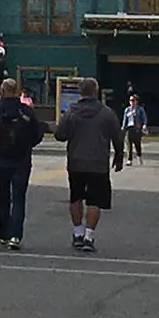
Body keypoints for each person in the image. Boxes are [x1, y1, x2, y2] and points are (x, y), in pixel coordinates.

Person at [54, 76, 124, 252]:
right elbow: (117, 136)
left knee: (76, 197)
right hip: (98, 163)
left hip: (76, 162)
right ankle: (89, 237)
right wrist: (119, 156)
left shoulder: (71, 112)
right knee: (95, 201)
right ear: (96, 91)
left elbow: (60, 135)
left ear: (80, 92)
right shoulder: (107, 113)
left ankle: (77, 233)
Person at [0, 77, 45, 249]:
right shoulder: (26, 112)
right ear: (17, 92)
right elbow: (38, 134)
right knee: (19, 198)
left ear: (2, 91)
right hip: (22, 160)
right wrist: (27, 145)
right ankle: (16, 236)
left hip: (1, 160)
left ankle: (4, 233)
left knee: (3, 197)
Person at [121, 93, 147, 166]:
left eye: (133, 100)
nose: (131, 102)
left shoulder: (140, 109)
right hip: (129, 128)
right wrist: (123, 127)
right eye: (130, 100)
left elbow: (144, 117)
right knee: (128, 144)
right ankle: (129, 159)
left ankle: (139, 156)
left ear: (136, 101)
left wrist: (144, 125)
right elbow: (124, 119)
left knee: (137, 144)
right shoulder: (127, 110)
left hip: (136, 128)